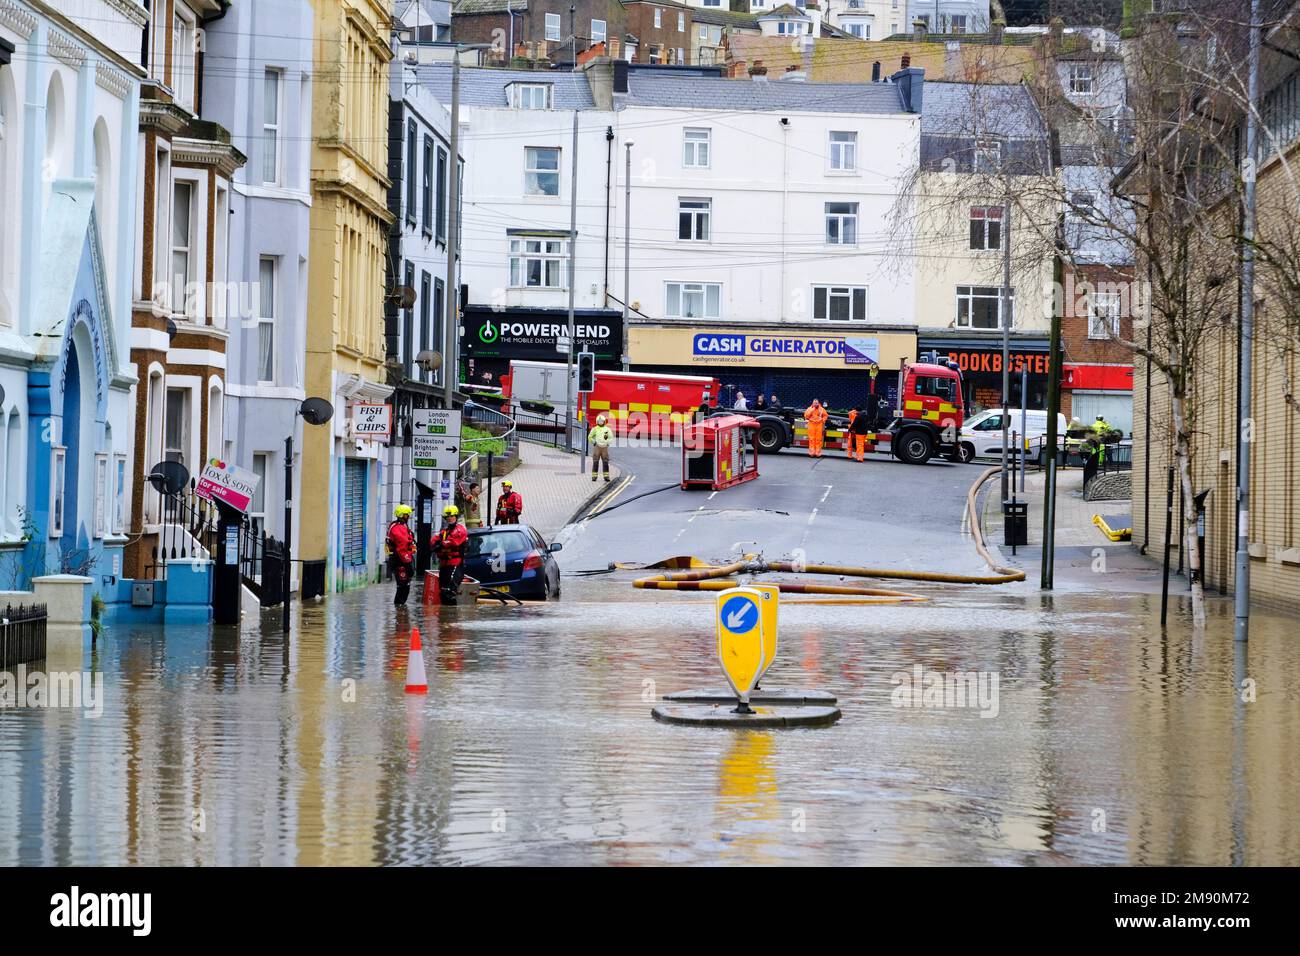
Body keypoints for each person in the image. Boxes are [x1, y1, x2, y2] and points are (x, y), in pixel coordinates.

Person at [434, 505, 469, 603]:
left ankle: (451, 616)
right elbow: (434, 540)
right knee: (443, 591)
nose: (449, 518)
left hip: (456, 563)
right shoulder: (445, 531)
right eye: (447, 517)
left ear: (456, 517)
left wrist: (442, 544)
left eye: (452, 516)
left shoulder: (460, 529)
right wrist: (436, 544)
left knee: (450, 591)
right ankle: (444, 616)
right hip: (444, 564)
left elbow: (453, 541)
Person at [385, 504, 417, 605]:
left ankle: (401, 614)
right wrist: (409, 565)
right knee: (403, 587)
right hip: (400, 561)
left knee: (404, 586)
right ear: (402, 515)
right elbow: (402, 549)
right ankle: (400, 614)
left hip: (399, 560)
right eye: (407, 515)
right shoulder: (398, 528)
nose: (408, 517)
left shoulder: (399, 526)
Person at [589, 413, 614, 482]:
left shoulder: (607, 429)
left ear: (604, 421)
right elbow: (590, 437)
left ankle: (606, 476)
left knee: (605, 462)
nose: (600, 422)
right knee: (595, 462)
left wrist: (607, 443)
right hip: (597, 447)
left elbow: (611, 437)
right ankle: (594, 476)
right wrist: (594, 442)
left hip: (604, 447)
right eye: (599, 421)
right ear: (597, 422)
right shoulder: (595, 429)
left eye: (602, 421)